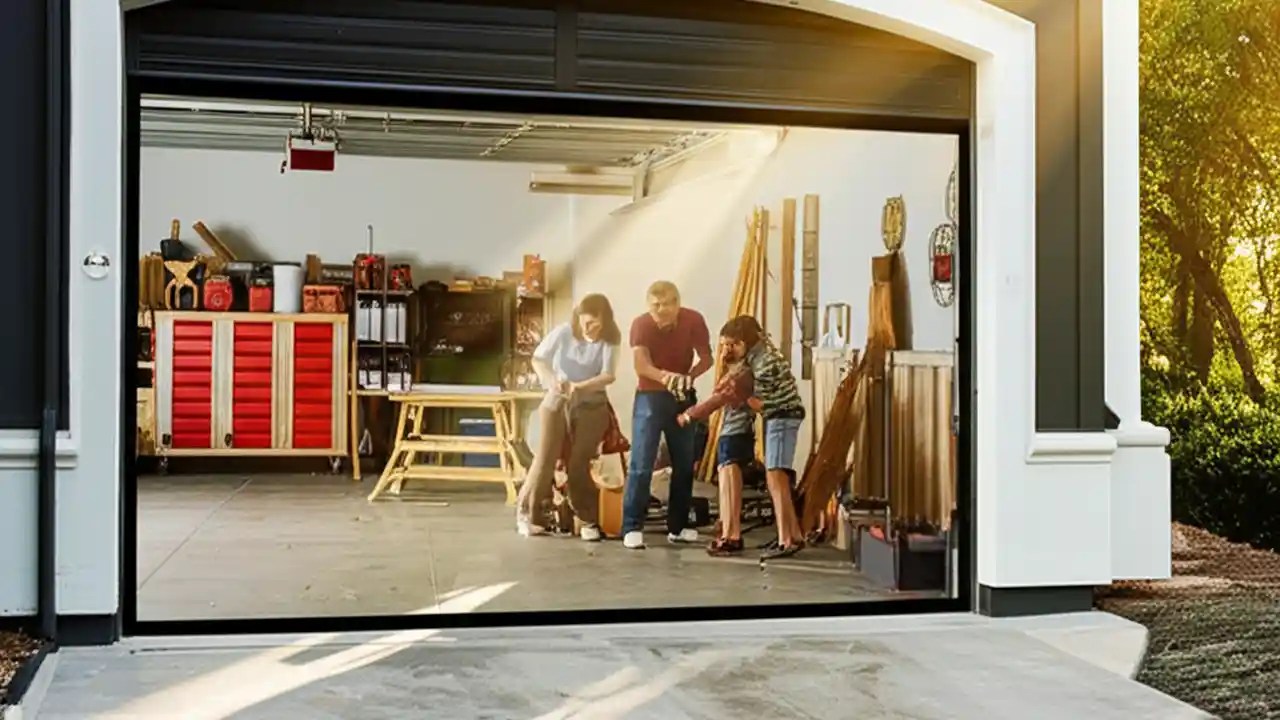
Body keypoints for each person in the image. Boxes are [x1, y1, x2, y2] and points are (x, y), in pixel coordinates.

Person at [515, 293, 621, 541]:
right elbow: (538, 359)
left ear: (605, 320)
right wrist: (552, 380)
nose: (589, 328)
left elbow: (608, 375)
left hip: (591, 405)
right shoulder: (564, 332)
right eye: (585, 323)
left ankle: (587, 519)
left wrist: (579, 387)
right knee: (545, 458)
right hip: (557, 400)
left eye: (595, 324)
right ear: (578, 318)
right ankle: (530, 515)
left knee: (578, 462)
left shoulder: (611, 338)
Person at [621, 281, 713, 550]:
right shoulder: (641, 325)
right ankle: (632, 527)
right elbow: (641, 365)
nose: (661, 310)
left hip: (682, 398)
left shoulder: (693, 320)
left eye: (667, 304)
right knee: (641, 463)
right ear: (649, 307)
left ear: (677, 304)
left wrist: (689, 377)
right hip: (649, 397)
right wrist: (666, 377)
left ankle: (678, 526)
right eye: (656, 305)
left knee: (684, 463)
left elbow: (707, 357)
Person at [677, 319, 757, 556]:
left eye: (732, 345)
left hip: (735, 433)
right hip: (732, 432)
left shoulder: (741, 374)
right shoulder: (737, 369)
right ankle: (728, 530)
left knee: (729, 485)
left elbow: (717, 400)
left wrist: (689, 415)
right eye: (723, 345)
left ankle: (732, 535)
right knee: (726, 485)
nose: (726, 350)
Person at [732, 315, 806, 558]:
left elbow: (761, 404)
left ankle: (785, 540)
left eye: (734, 344)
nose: (731, 349)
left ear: (744, 341)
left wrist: (737, 394)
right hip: (782, 416)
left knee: (776, 477)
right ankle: (794, 535)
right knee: (777, 476)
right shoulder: (762, 354)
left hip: (782, 416)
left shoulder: (763, 363)